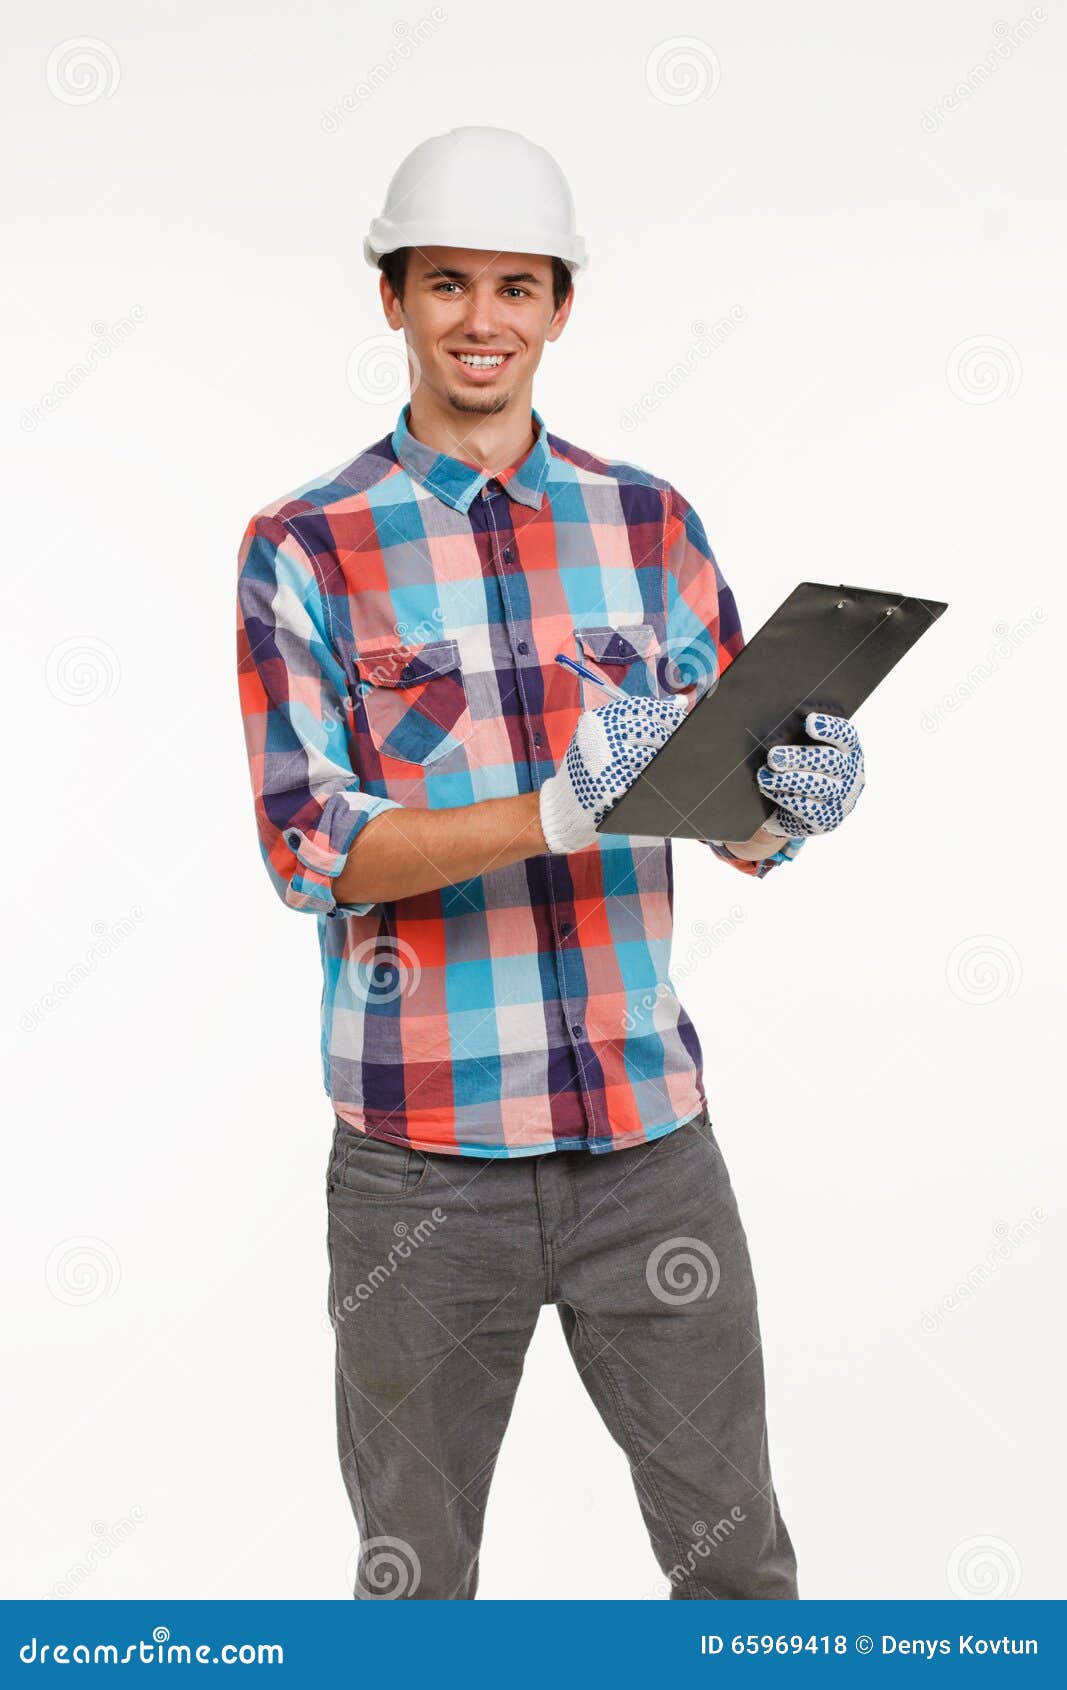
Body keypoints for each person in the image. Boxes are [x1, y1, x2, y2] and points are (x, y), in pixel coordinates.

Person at [235, 126, 866, 1601]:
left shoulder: (648, 526)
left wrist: (791, 796)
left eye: (516, 286)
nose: (481, 319)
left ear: (560, 307)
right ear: (392, 298)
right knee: (416, 1586)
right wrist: (550, 808)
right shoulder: (308, 547)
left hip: (648, 1141)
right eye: (446, 282)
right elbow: (305, 845)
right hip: (420, 1165)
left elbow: (726, 808)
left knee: (739, 1565)